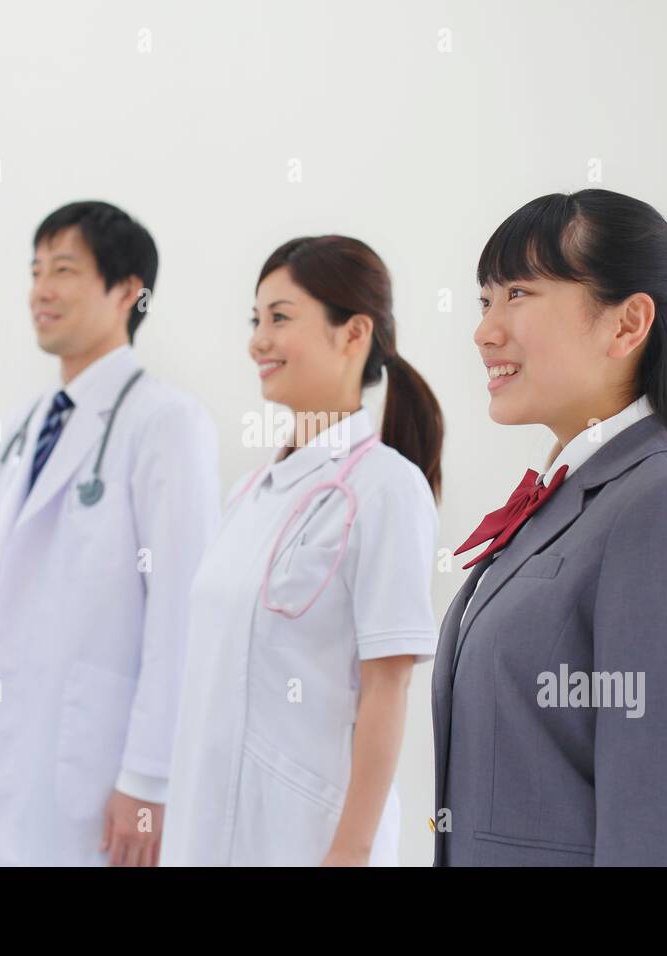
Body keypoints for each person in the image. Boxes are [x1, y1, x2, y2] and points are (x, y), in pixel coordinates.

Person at [433, 189, 667, 866]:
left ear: (628, 324)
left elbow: (660, 830)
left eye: (518, 293)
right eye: (484, 301)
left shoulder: (663, 508)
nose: (485, 331)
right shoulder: (576, 495)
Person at [161, 236, 444, 866]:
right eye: (255, 320)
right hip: (205, 834)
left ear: (353, 333)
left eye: (280, 318)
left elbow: (387, 688)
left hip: (306, 839)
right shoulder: (249, 494)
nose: (257, 341)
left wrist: (350, 851)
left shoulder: (387, 488)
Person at [0, 200, 219, 866]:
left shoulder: (166, 423)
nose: (41, 290)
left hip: (102, 772)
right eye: (36, 269)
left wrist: (148, 779)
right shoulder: (23, 426)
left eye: (65, 269)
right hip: (11, 758)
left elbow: (181, 615)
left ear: (129, 291)